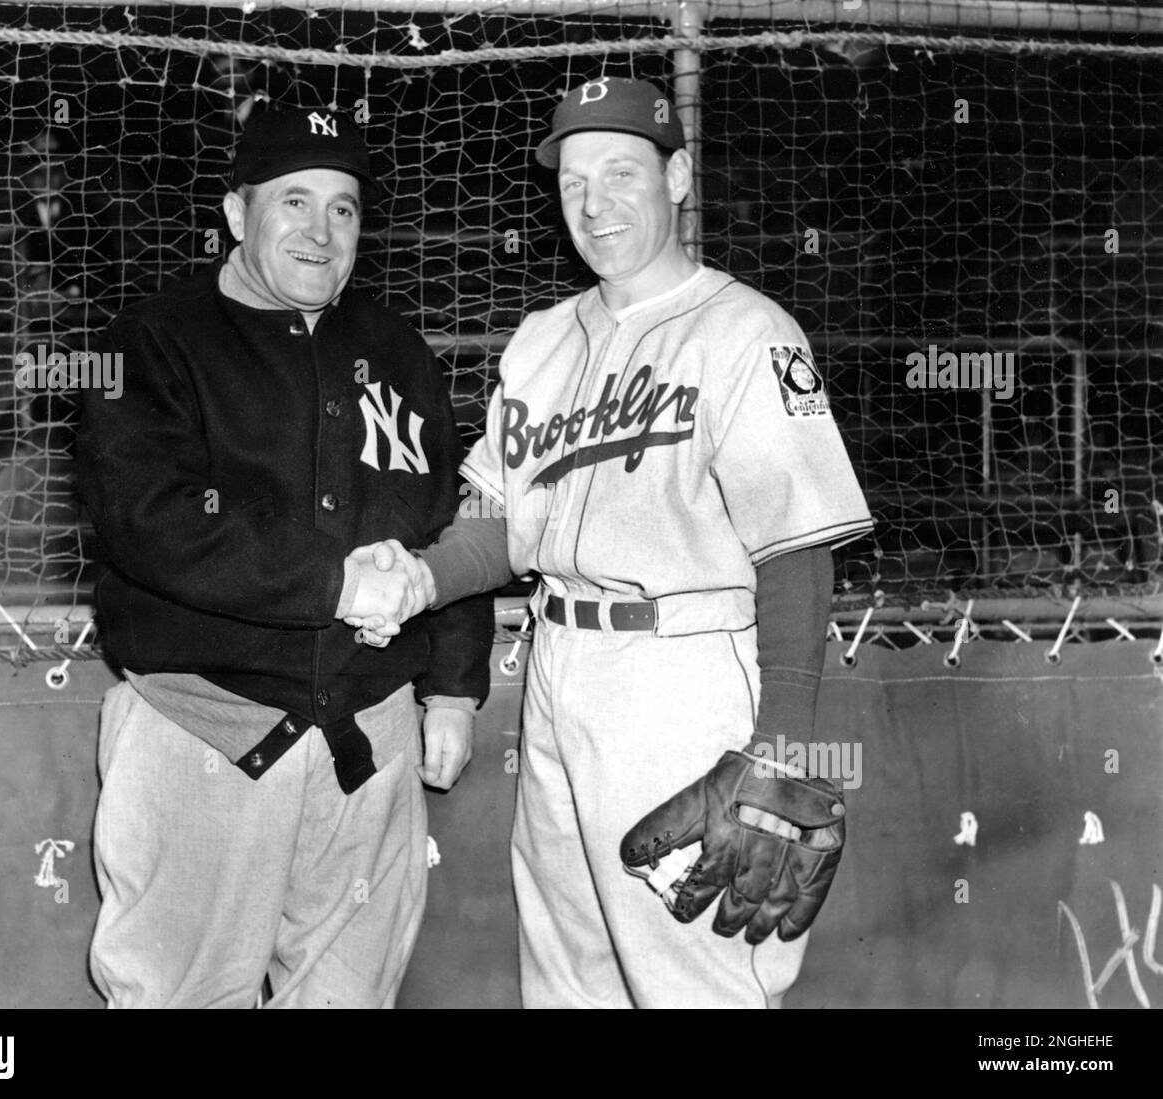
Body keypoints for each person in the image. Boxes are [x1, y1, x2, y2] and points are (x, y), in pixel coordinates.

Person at [347, 76, 874, 1008]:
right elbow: (503, 526)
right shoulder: (543, 341)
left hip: (682, 675)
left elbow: (795, 549)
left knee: (694, 979)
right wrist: (421, 578)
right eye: (574, 181)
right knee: (566, 971)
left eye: (622, 172)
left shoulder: (745, 333)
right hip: (559, 666)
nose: (594, 205)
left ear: (678, 179)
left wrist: (778, 752)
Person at [74, 107, 494, 1009]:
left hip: (367, 736)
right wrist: (335, 580)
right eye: (294, 200)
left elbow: (443, 520)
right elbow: (148, 519)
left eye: (343, 209)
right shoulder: (146, 340)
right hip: (205, 726)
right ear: (235, 212)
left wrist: (453, 684)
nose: (320, 229)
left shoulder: (397, 349)